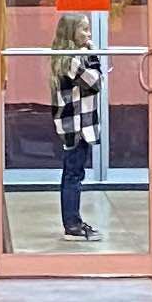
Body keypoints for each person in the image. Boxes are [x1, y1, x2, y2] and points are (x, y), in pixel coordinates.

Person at [50, 18, 104, 241]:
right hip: (76, 125)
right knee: (74, 174)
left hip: (75, 123)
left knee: (72, 173)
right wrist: (93, 54)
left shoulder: (68, 58)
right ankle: (72, 224)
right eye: (84, 29)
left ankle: (73, 220)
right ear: (71, 33)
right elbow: (95, 82)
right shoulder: (71, 60)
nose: (88, 33)